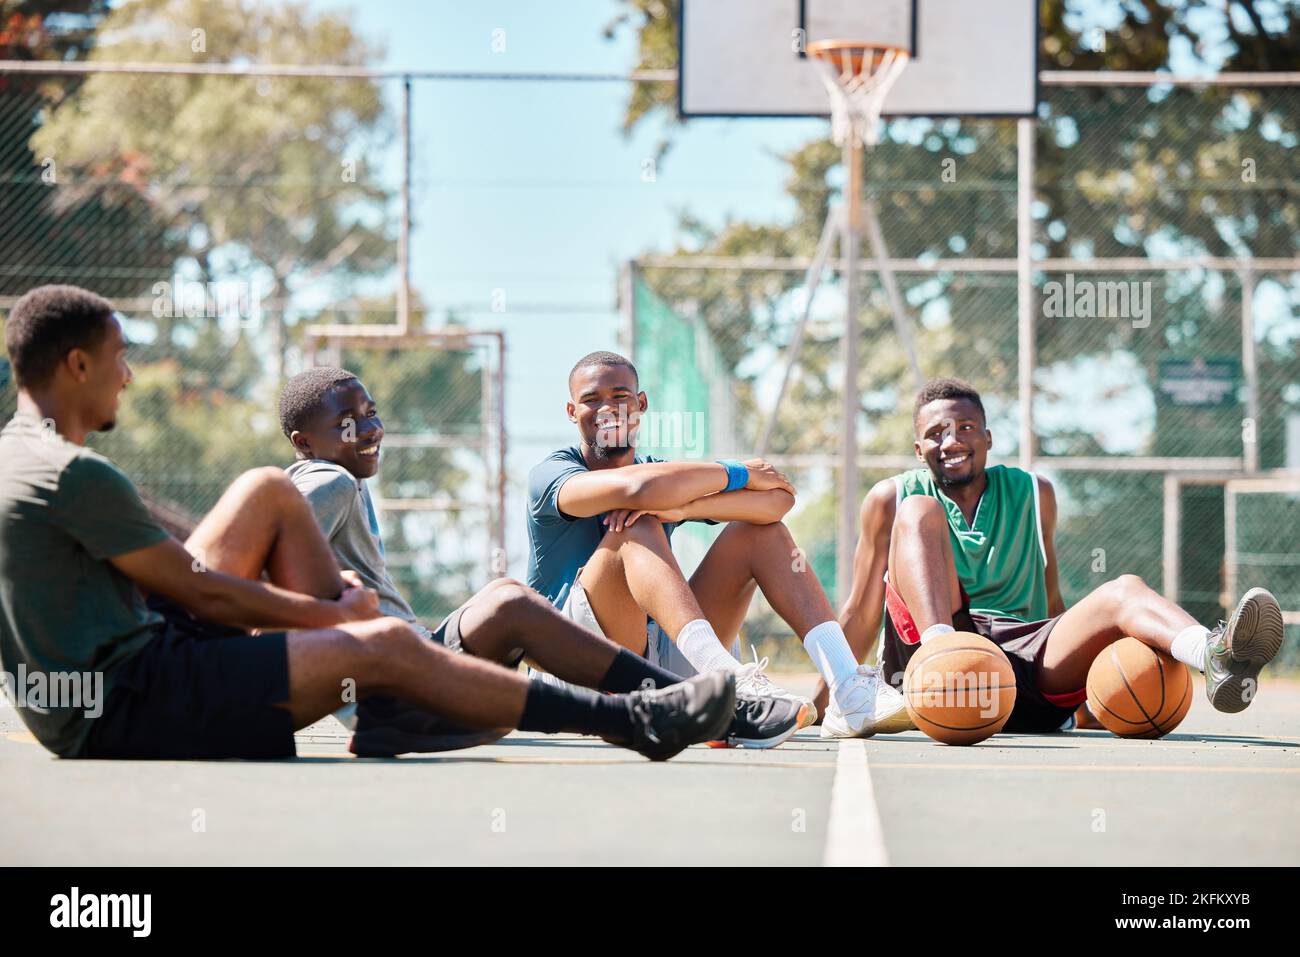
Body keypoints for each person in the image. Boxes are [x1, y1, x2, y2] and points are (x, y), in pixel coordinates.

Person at [0, 285, 735, 762]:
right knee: (381, 639)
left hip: (128, 677)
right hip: (137, 700)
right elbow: (205, 594)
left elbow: (176, 574)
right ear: (75, 366)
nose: (127, 373)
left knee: (265, 490)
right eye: (118, 358)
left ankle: (393, 694)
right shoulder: (72, 473)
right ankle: (640, 719)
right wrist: (335, 614)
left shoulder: (23, 458)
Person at [278, 365, 794, 750]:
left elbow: (774, 504)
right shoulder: (331, 480)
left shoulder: (342, 480)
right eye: (347, 422)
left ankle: (690, 701)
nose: (369, 429)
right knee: (514, 601)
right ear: (304, 442)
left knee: (511, 599)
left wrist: (677, 502)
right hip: (403, 675)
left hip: (416, 665)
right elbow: (271, 549)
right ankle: (705, 705)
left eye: (370, 414)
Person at [830, 376, 1284, 733]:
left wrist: (1086, 681)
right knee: (918, 510)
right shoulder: (893, 496)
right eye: (935, 434)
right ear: (918, 449)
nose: (950, 441)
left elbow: (1052, 601)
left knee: (1123, 590)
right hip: (936, 661)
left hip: (1023, 661)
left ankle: (1214, 654)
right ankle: (944, 657)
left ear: (987, 438)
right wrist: (829, 696)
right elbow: (862, 609)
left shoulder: (1033, 492)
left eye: (964, 428)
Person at [526, 350, 910, 739]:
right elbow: (637, 488)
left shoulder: (661, 472)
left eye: (620, 396)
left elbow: (777, 501)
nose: (607, 408)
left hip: (656, 659)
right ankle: (728, 680)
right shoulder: (552, 475)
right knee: (634, 526)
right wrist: (737, 471)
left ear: (640, 404)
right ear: (572, 412)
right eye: (592, 400)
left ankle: (849, 689)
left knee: (759, 532)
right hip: (577, 666)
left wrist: (676, 508)